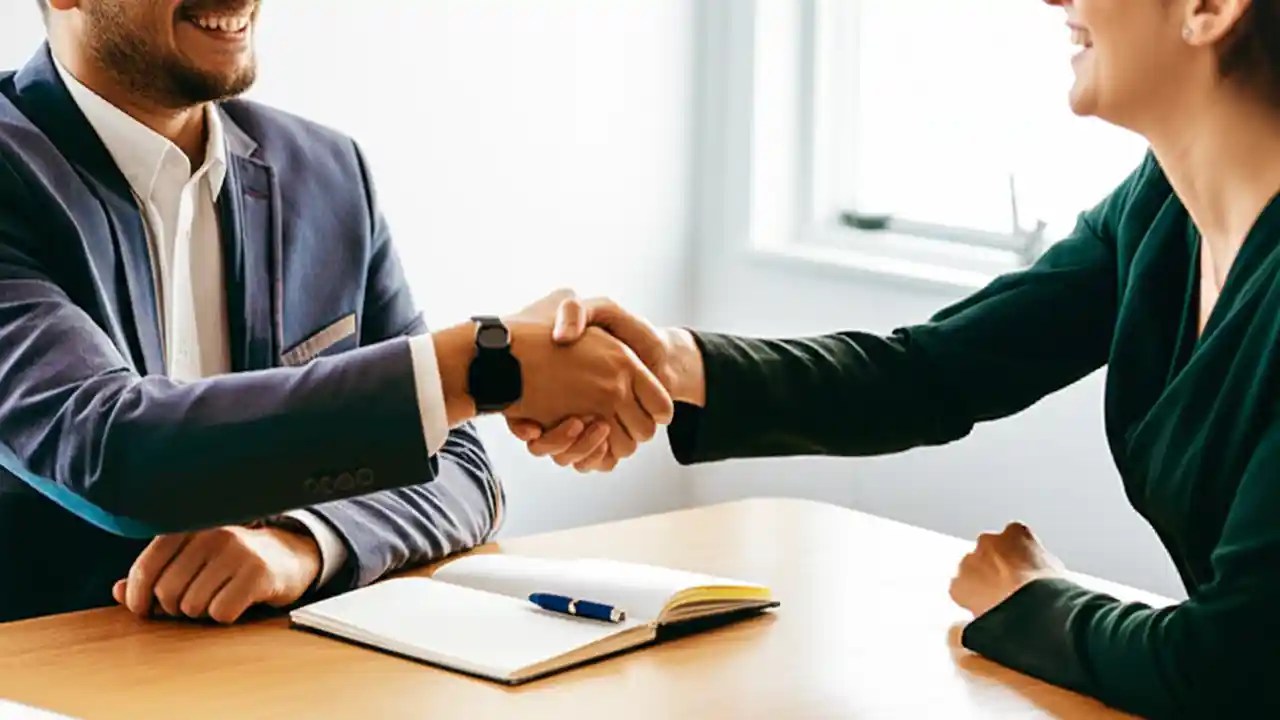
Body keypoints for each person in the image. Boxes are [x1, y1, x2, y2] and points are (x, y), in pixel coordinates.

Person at [514, 0, 1280, 716]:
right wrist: (671, 363)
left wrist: (1034, 598)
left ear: (1209, 7)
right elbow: (931, 374)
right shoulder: (1158, 211)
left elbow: (1223, 666)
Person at [0, 0, 671, 623]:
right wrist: (483, 365)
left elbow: (462, 467)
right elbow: (112, 450)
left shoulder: (327, 172)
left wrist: (304, 544)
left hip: (291, 675)